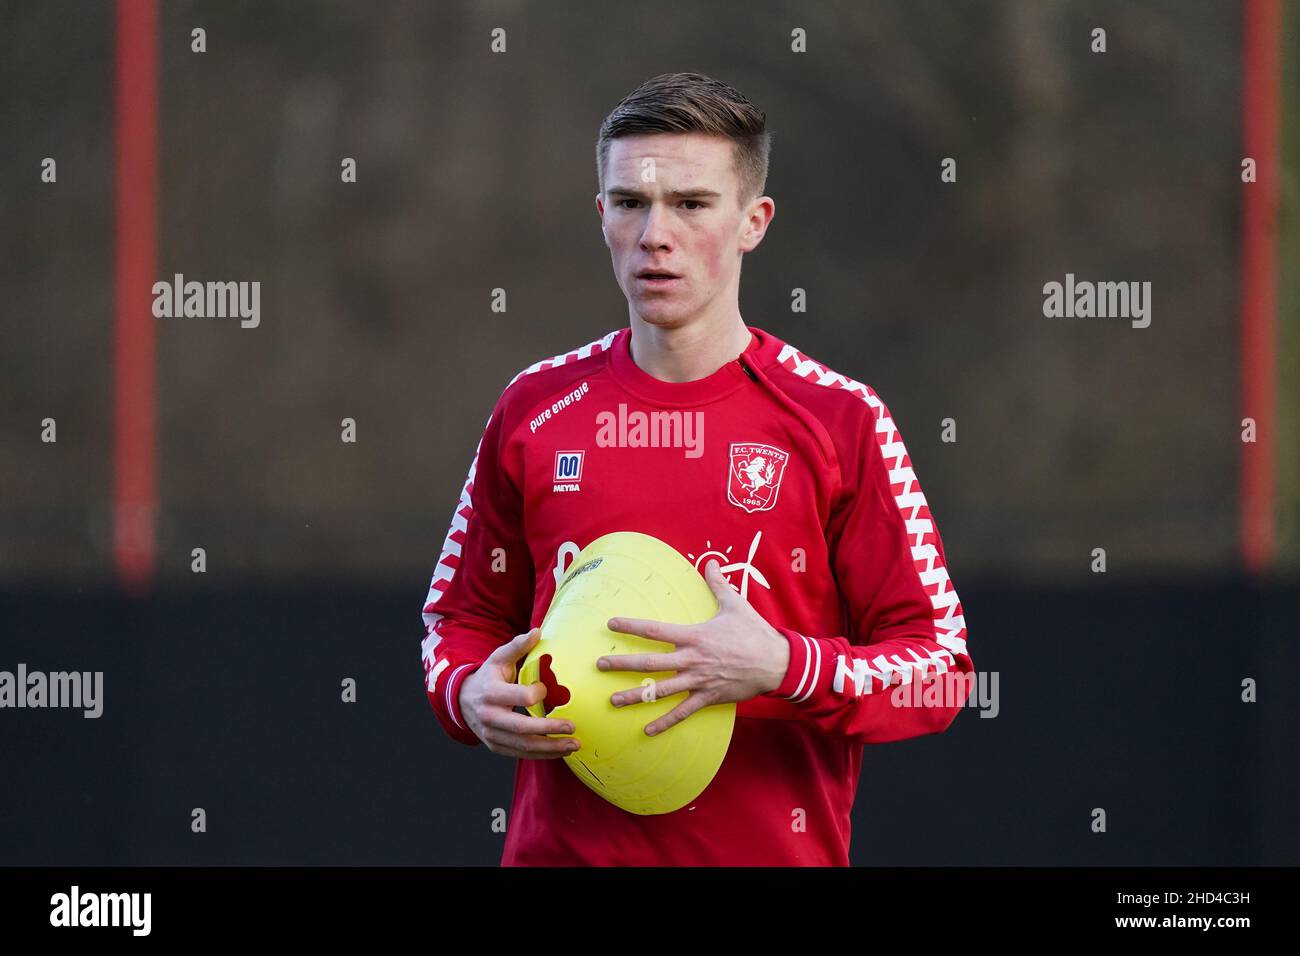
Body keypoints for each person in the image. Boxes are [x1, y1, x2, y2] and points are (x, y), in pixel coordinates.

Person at [420, 71, 972, 865]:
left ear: (754, 221)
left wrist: (783, 664)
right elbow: (459, 621)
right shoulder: (533, 410)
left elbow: (943, 673)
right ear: (601, 214)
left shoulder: (840, 420)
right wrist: (468, 693)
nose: (655, 235)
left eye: (690, 203)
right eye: (629, 203)